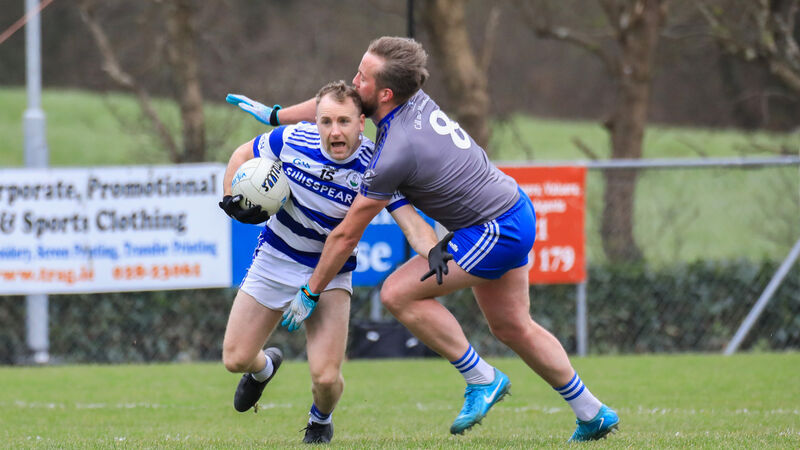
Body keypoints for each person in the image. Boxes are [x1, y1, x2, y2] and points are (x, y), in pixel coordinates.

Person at [229, 36, 619, 442]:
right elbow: (335, 104)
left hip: (494, 229)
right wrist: (277, 116)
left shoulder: (392, 152)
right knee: (513, 326)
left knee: (397, 293)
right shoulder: (412, 98)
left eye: (362, 76)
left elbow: (345, 236)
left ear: (383, 93)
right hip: (509, 209)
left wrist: (310, 292)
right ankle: (593, 413)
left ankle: (481, 378)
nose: (354, 79)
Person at [219, 80, 438, 444]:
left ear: (361, 123)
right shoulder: (293, 140)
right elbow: (243, 153)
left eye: (344, 121)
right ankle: (265, 368)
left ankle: (320, 420)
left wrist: (434, 252)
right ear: (315, 121)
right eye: (325, 121)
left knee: (325, 377)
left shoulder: (378, 166)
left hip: (332, 272)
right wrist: (229, 196)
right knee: (235, 359)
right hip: (276, 257)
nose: (334, 131)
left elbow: (412, 224)